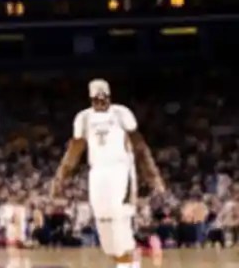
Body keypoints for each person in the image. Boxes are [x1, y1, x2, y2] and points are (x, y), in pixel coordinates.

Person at [52, 79, 165, 268]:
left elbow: (140, 147)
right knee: (104, 222)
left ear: (109, 96)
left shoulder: (121, 113)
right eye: (96, 97)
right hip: (97, 170)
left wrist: (153, 176)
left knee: (120, 217)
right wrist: (60, 178)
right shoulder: (84, 118)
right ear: (90, 98)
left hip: (121, 169)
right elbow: (74, 150)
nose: (100, 101)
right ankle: (122, 263)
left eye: (103, 97)